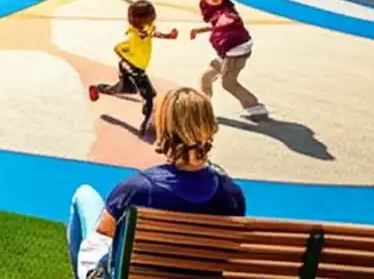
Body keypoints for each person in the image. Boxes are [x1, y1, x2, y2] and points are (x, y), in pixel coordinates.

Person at [67, 88, 246, 279]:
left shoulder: (136, 191)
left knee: (84, 195)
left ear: (164, 129)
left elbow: (103, 234)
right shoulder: (232, 197)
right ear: (210, 128)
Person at [88, 0, 179, 137]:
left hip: (133, 66)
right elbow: (120, 47)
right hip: (133, 68)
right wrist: (127, 57)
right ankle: (146, 124)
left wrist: (167, 36)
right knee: (148, 95)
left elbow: (152, 33)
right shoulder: (134, 34)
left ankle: (98, 88)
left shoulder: (147, 29)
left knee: (125, 89)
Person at [191, 0, 268, 120]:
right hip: (224, 50)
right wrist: (199, 30)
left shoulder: (228, 10)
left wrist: (229, 21)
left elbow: (228, 19)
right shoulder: (209, 4)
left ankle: (254, 107)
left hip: (236, 49)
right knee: (206, 77)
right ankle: (204, 109)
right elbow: (215, 22)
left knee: (228, 83)